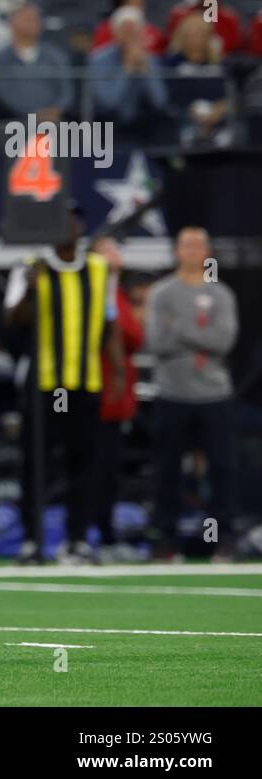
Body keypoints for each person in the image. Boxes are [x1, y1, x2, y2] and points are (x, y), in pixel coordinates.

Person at [4, 203, 122, 563]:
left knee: (84, 464)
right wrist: (29, 289)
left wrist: (117, 373)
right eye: (61, 219)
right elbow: (12, 319)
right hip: (44, 384)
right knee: (35, 466)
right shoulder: (30, 267)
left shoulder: (100, 269)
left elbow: (110, 322)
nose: (68, 225)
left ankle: (77, 539)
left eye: (74, 218)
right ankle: (31, 540)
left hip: (85, 382)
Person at [145, 227, 239, 560]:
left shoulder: (221, 294)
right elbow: (156, 343)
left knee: (221, 470)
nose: (193, 251)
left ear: (207, 251)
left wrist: (180, 328)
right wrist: (201, 333)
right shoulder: (161, 293)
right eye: (187, 244)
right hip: (172, 393)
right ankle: (165, 540)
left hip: (214, 395)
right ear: (177, 250)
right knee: (167, 470)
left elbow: (223, 342)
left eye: (199, 245)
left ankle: (220, 537)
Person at [90, 234, 144, 563]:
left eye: (115, 248)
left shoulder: (118, 293)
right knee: (91, 469)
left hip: (116, 397)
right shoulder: (93, 290)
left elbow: (135, 338)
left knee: (110, 470)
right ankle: (84, 538)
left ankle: (107, 537)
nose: (114, 253)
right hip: (93, 392)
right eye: (106, 249)